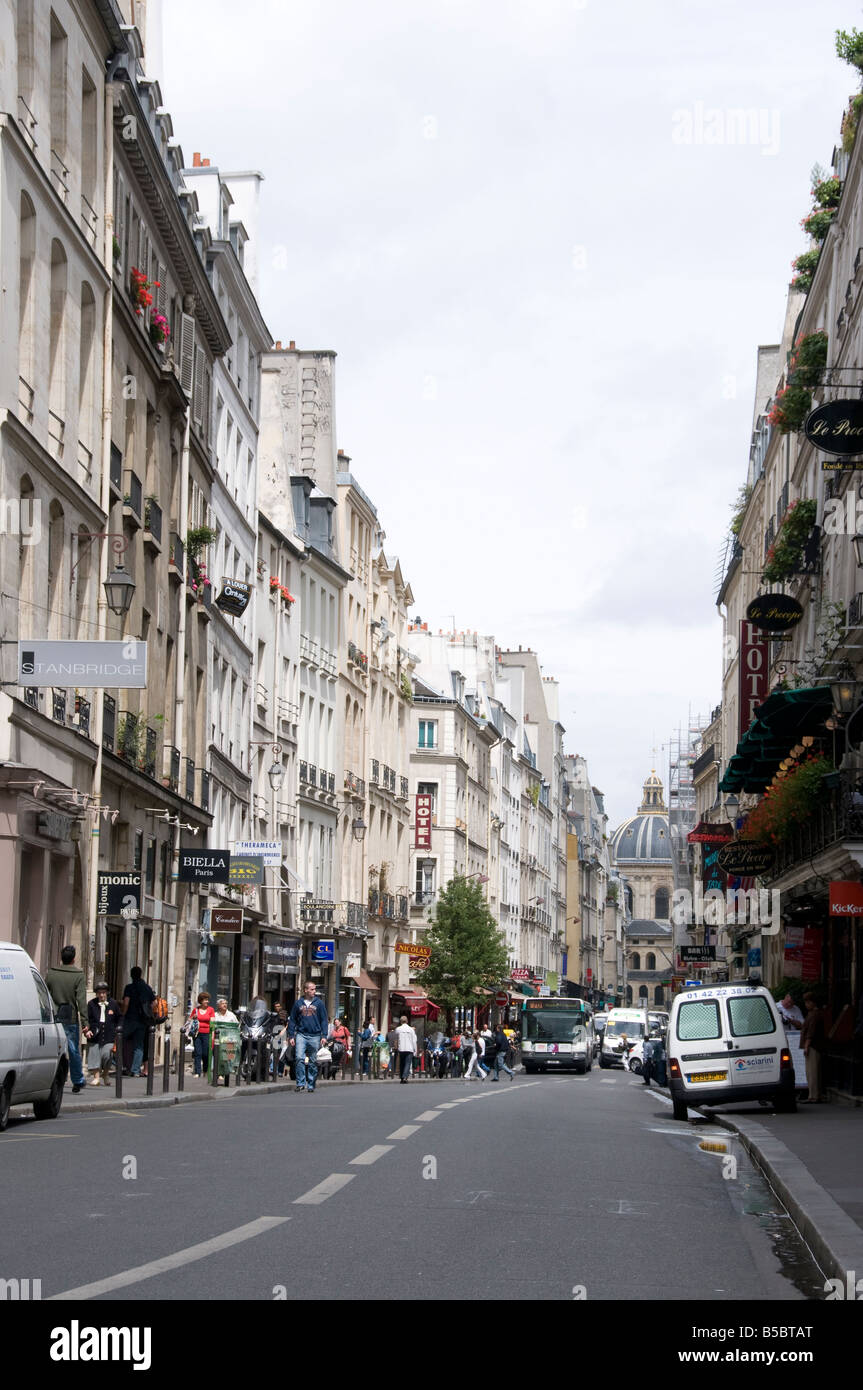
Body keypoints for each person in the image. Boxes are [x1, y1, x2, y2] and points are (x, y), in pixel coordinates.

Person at [45, 945, 90, 1093]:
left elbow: (44, 995)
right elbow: (81, 1001)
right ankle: (77, 1080)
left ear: (61, 958)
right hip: (69, 1018)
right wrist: (85, 1023)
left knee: (51, 1049)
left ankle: (50, 1078)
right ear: (74, 959)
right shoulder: (78, 975)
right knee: (72, 1050)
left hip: (52, 1017)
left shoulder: (51, 974)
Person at [288, 981, 329, 1092]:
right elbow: (292, 1020)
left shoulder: (319, 1003)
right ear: (305, 990)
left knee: (312, 1060)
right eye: (312, 989)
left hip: (315, 1035)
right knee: (299, 1058)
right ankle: (300, 1083)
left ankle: (311, 1084)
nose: (314, 992)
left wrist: (324, 1035)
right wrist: (291, 1035)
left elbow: (324, 1020)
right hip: (301, 1034)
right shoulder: (298, 1003)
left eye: (314, 989)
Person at [121, 966, 156, 1077]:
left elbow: (126, 1002)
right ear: (141, 974)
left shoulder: (129, 988)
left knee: (120, 1039)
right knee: (139, 1045)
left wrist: (123, 1014)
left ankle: (120, 1064)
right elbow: (154, 1003)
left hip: (130, 1018)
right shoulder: (147, 988)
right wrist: (149, 1013)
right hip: (142, 1020)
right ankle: (135, 1070)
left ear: (131, 975)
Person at [86, 981, 121, 1086]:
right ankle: (96, 1077)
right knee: (94, 1055)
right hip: (95, 1034)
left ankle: (105, 1074)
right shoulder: (91, 1004)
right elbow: (87, 1018)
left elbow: (120, 1018)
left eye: (104, 992)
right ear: (96, 993)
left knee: (107, 1055)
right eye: (99, 993)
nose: (102, 995)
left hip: (109, 1035)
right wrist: (87, 1029)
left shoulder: (113, 1004)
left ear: (107, 993)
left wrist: (119, 1029)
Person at [800, 993, 826, 1103]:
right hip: (815, 1045)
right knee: (812, 1071)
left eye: (807, 1002)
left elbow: (811, 1032)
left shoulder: (814, 1015)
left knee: (812, 1072)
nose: (806, 1005)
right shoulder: (813, 1014)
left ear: (811, 1002)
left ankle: (814, 1096)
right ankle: (814, 1095)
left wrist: (806, 1046)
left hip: (813, 1046)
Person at [188, 992, 215, 1078]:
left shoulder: (211, 1010)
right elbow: (189, 1020)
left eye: (207, 999)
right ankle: (197, 1072)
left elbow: (213, 1022)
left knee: (205, 1053)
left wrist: (213, 1034)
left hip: (207, 1033)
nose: (207, 1001)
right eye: (205, 1000)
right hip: (197, 1034)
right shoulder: (196, 1010)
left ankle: (205, 1070)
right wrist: (194, 1017)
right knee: (198, 1053)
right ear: (201, 1001)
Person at [395, 1014, 418, 1082]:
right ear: (407, 1021)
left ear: (400, 1021)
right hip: (409, 1048)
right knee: (407, 1063)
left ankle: (402, 1077)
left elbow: (396, 1038)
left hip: (401, 1048)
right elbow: (414, 1041)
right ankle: (405, 1077)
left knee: (402, 1063)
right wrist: (415, 1050)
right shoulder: (411, 1030)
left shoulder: (398, 1029)